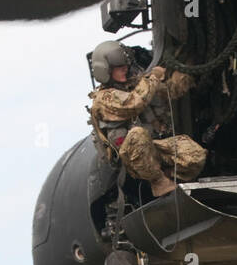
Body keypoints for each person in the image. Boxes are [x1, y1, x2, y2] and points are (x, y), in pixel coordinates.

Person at [88, 41, 207, 198]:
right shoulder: (104, 99)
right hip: (133, 159)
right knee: (137, 134)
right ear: (105, 70)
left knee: (196, 155)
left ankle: (167, 174)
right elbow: (134, 103)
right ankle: (158, 182)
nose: (125, 68)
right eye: (118, 66)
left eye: (125, 64)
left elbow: (170, 91)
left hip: (155, 148)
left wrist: (188, 67)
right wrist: (153, 78)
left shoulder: (140, 85)